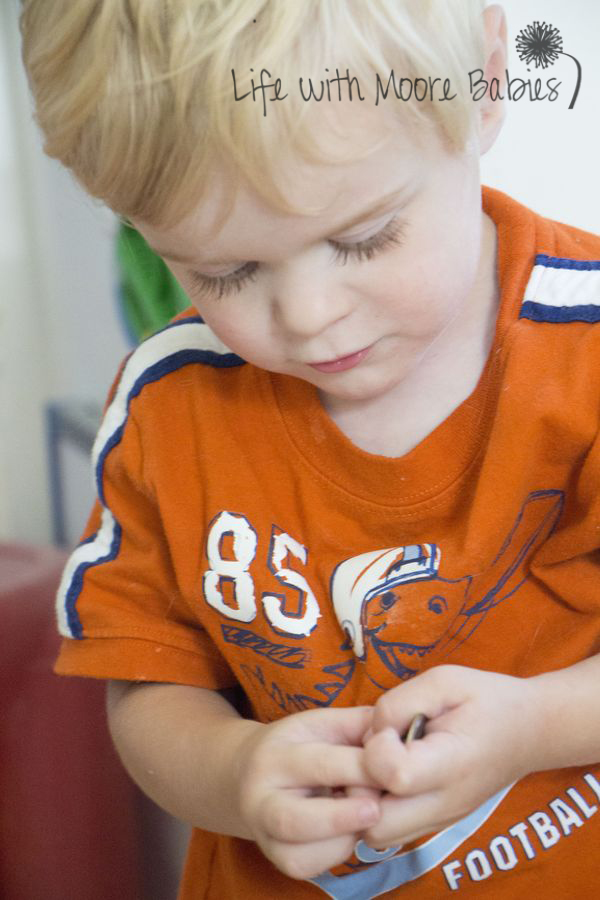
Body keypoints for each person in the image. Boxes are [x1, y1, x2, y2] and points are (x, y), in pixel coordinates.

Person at [20, 1, 600, 896]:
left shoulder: (587, 353)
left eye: (363, 237)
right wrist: (232, 771)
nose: (308, 316)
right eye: (226, 272)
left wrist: (536, 725)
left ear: (485, 83)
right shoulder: (167, 405)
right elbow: (146, 687)